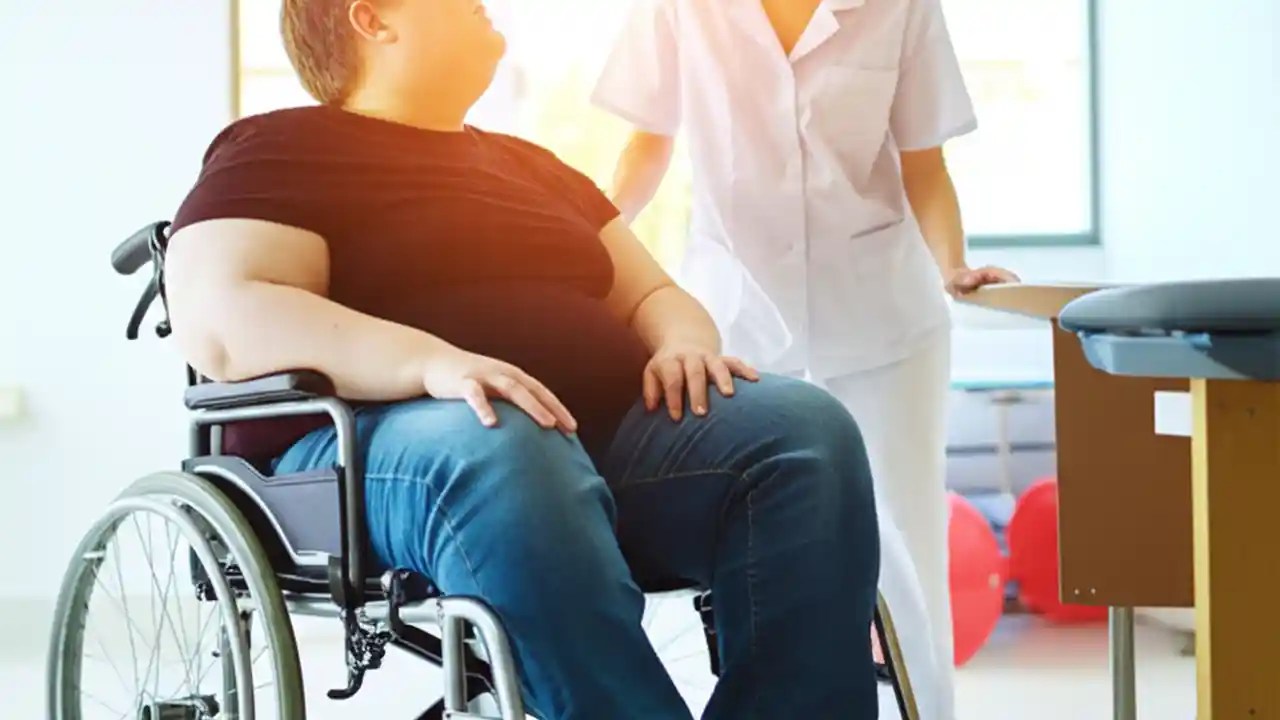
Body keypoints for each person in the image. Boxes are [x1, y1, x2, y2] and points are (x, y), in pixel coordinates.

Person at [163, 1, 884, 718]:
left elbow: (653, 293)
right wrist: (431, 365)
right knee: (501, 438)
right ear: (372, 19)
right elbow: (224, 316)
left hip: (592, 443)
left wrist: (682, 340)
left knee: (801, 430)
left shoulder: (533, 167)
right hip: (376, 453)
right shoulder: (280, 147)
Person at [592, 0, 1020, 716]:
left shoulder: (902, 7)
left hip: (883, 319)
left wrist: (954, 265)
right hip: (735, 322)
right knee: (738, 550)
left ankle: (928, 709)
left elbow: (925, 162)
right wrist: (579, 248)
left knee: (908, 548)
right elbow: (646, 146)